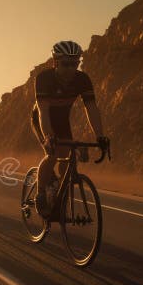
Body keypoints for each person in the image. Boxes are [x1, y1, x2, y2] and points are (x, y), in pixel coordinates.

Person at [31, 40, 109, 217]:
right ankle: (41, 193)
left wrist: (100, 137)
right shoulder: (44, 79)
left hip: (62, 120)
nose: (71, 69)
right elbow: (43, 112)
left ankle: (59, 195)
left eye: (75, 64)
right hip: (42, 119)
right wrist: (49, 137)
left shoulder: (82, 79)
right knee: (52, 154)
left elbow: (92, 109)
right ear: (55, 62)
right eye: (66, 64)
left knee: (68, 163)